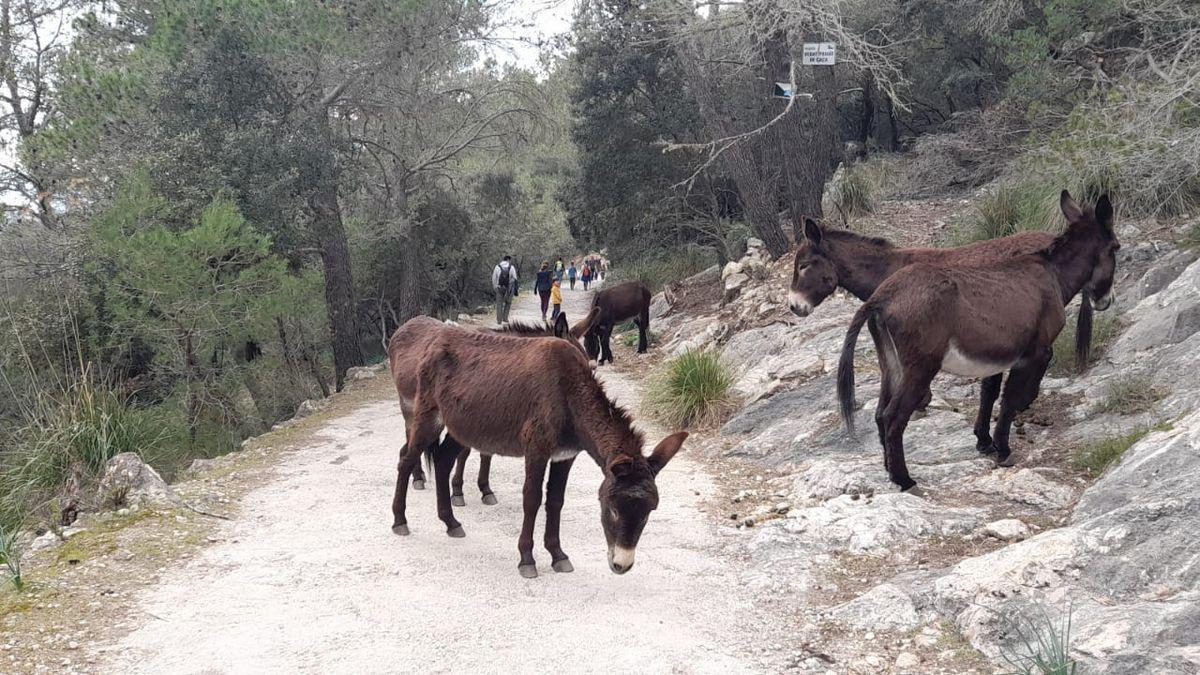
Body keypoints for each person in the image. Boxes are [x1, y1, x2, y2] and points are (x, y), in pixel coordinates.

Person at [492, 255, 518, 324]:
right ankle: (505, 318)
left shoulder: (497, 267)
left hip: (499, 287)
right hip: (508, 288)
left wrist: (495, 287)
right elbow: (514, 278)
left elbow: (494, 278)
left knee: (499, 304)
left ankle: (499, 320)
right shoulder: (511, 267)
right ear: (508, 260)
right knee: (508, 302)